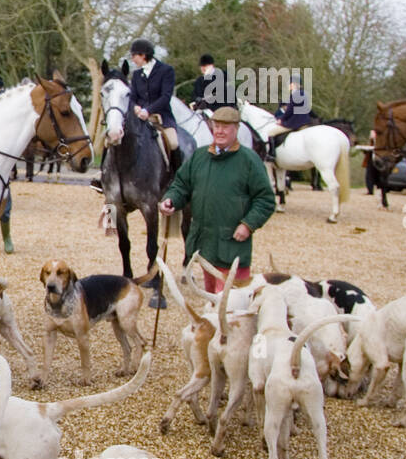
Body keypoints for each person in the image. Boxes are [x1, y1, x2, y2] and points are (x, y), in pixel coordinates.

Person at [159, 106, 275, 294]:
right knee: (212, 300)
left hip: (232, 244)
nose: (219, 131)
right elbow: (181, 185)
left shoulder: (249, 160)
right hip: (205, 244)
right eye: (216, 126)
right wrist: (171, 200)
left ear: (236, 129)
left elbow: (266, 200)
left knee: (231, 305)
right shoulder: (200, 156)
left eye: (225, 127)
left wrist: (248, 225)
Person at [129, 38, 181, 175]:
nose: (132, 59)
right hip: (139, 119)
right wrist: (135, 107)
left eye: (134, 56)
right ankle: (103, 175)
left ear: (143, 55)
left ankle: (176, 177)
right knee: (112, 139)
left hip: (161, 118)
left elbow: (166, 97)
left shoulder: (166, 71)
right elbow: (132, 97)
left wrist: (148, 110)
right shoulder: (136, 75)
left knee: (173, 143)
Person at [266, 72, 314, 157]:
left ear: (293, 84)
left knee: (271, 133)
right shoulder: (304, 94)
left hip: (295, 122)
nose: (288, 85)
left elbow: (289, 111)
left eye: (289, 83)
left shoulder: (294, 94)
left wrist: (281, 120)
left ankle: (271, 155)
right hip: (306, 122)